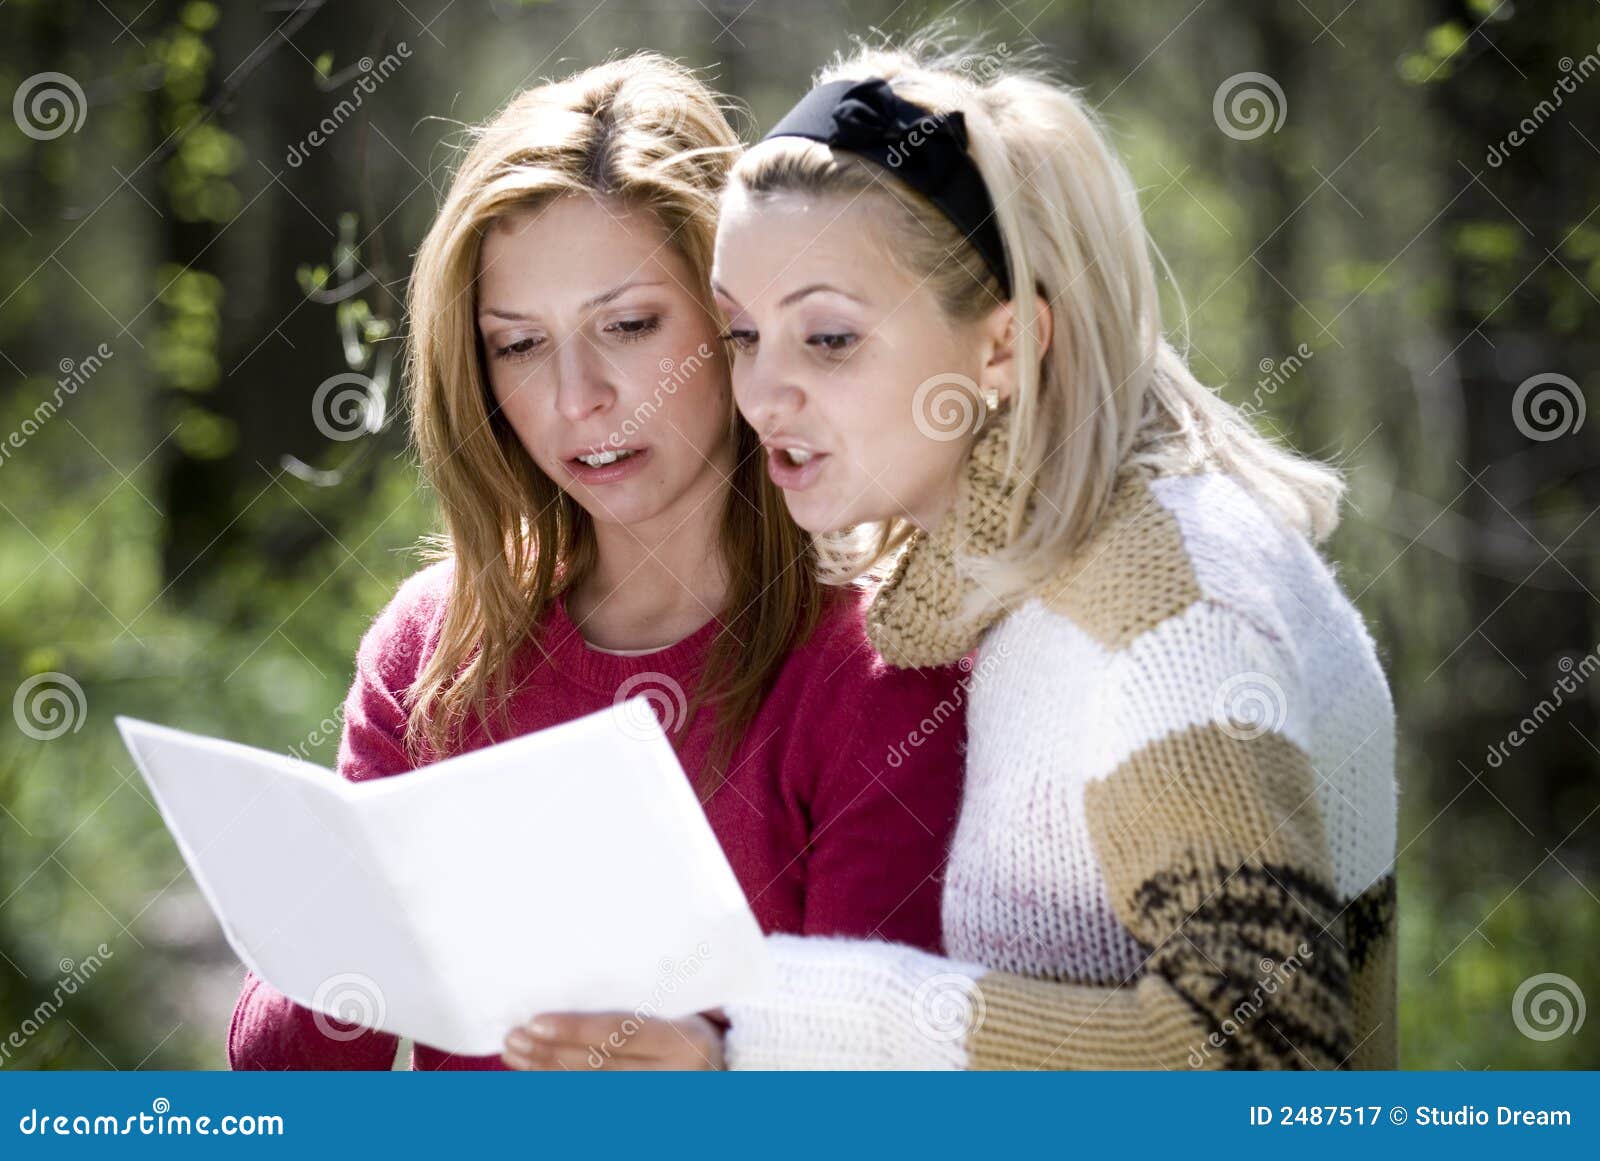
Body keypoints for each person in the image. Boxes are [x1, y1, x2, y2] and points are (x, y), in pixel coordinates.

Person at [532, 38, 1397, 1070]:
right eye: (744, 335)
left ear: (1001, 346)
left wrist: (777, 1035)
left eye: (830, 339)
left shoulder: (1163, 613)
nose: (761, 396)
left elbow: (1271, 1057)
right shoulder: (1027, 574)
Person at [228, 53, 967, 1072]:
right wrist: (328, 928)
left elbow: (889, 1097)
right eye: (518, 345)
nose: (577, 397)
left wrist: (716, 1075)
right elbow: (287, 1084)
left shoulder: (879, 672)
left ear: (734, 321)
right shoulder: (435, 644)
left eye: (626, 325)